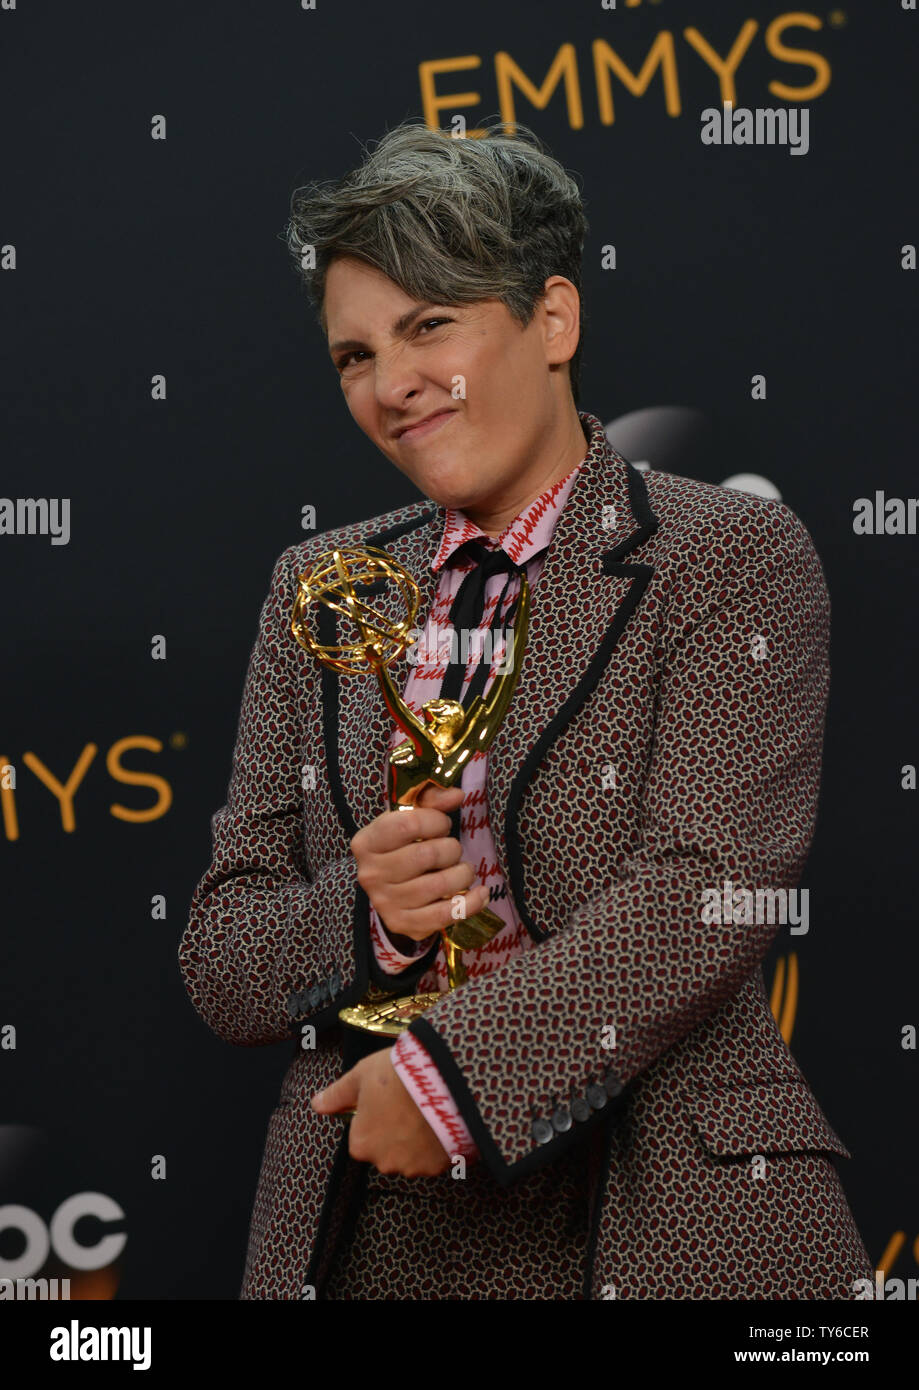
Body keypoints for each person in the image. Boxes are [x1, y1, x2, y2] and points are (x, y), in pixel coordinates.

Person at [179, 117, 872, 1299]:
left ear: (553, 319)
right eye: (353, 356)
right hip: (368, 1227)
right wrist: (367, 915)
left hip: (668, 1213)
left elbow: (709, 884)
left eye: (427, 326)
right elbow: (222, 953)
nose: (391, 384)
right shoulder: (322, 587)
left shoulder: (729, 551)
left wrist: (450, 1080)